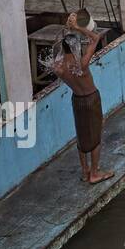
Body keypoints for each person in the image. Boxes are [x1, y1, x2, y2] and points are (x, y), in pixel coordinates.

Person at [40, 11, 112, 185]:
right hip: (91, 98)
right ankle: (95, 173)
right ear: (76, 47)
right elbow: (95, 38)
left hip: (77, 100)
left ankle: (85, 171)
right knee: (95, 135)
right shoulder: (82, 65)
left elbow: (61, 46)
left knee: (81, 134)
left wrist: (68, 30)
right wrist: (79, 27)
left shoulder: (59, 68)